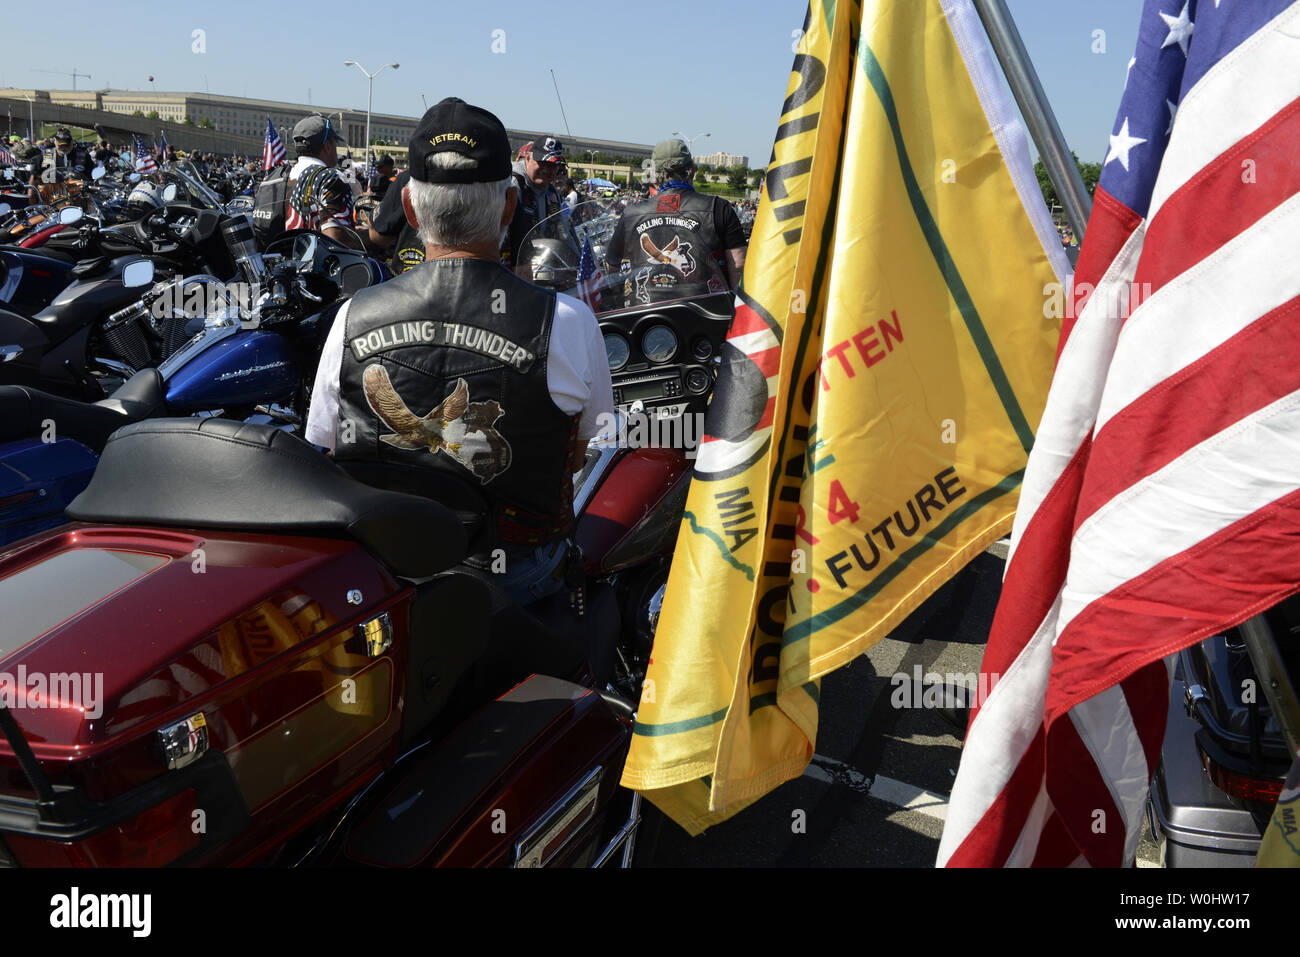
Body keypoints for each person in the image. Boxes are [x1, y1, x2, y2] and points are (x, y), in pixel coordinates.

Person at [305, 97, 613, 609]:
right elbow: (584, 450)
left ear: (408, 207)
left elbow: (328, 446)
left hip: (388, 576)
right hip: (519, 579)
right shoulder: (567, 322)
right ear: (510, 208)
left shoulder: (352, 316)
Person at [603, 138, 747, 307]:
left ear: (654, 174)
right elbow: (739, 266)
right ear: (692, 170)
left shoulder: (631, 213)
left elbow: (611, 266)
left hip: (642, 314)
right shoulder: (718, 208)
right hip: (706, 314)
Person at [285, 114, 356, 246]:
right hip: (312, 262)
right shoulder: (332, 177)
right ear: (328, 146)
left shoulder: (276, 176)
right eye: (335, 143)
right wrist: (372, 236)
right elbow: (336, 238)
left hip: (274, 261)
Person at [502, 135, 565, 271]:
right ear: (528, 158)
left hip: (543, 265)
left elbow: (564, 232)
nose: (546, 170)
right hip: (513, 267)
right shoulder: (513, 185)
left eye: (552, 165)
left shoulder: (552, 192)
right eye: (542, 163)